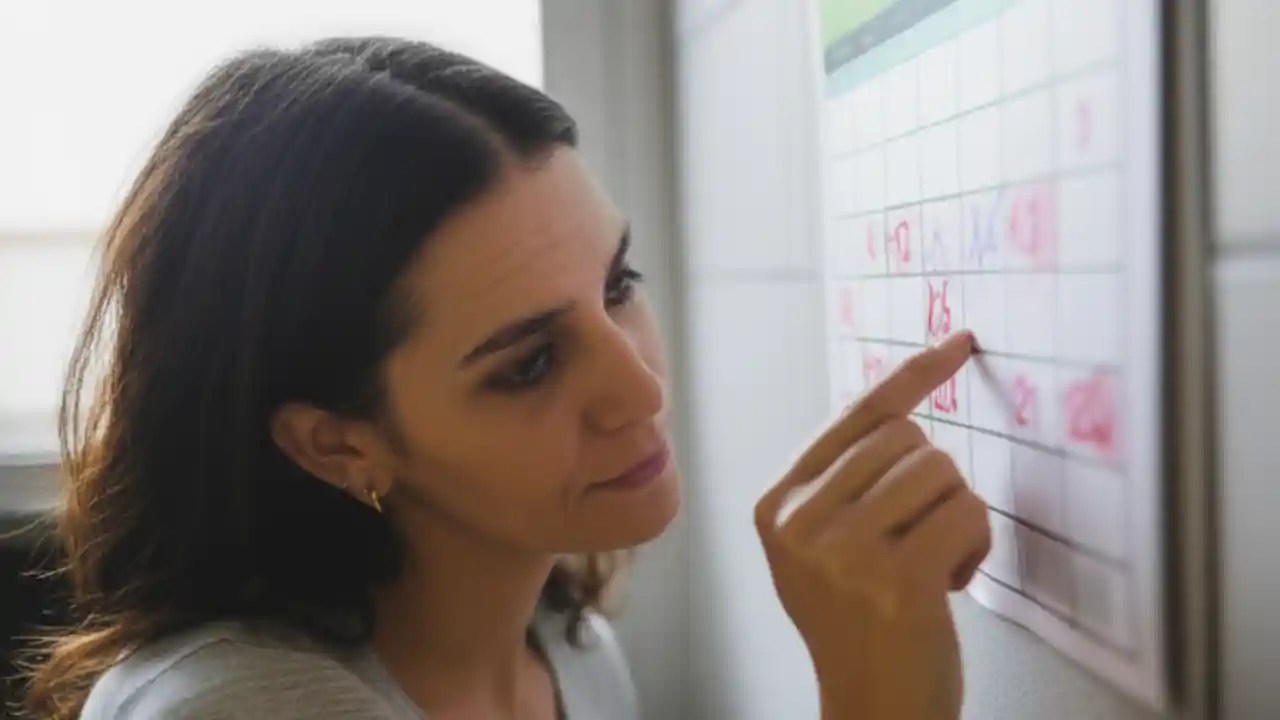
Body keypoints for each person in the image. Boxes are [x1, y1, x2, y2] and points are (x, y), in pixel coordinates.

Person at [20, 37, 990, 720]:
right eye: (527, 364)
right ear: (337, 442)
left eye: (618, 286)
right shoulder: (237, 710)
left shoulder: (568, 653)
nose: (641, 390)